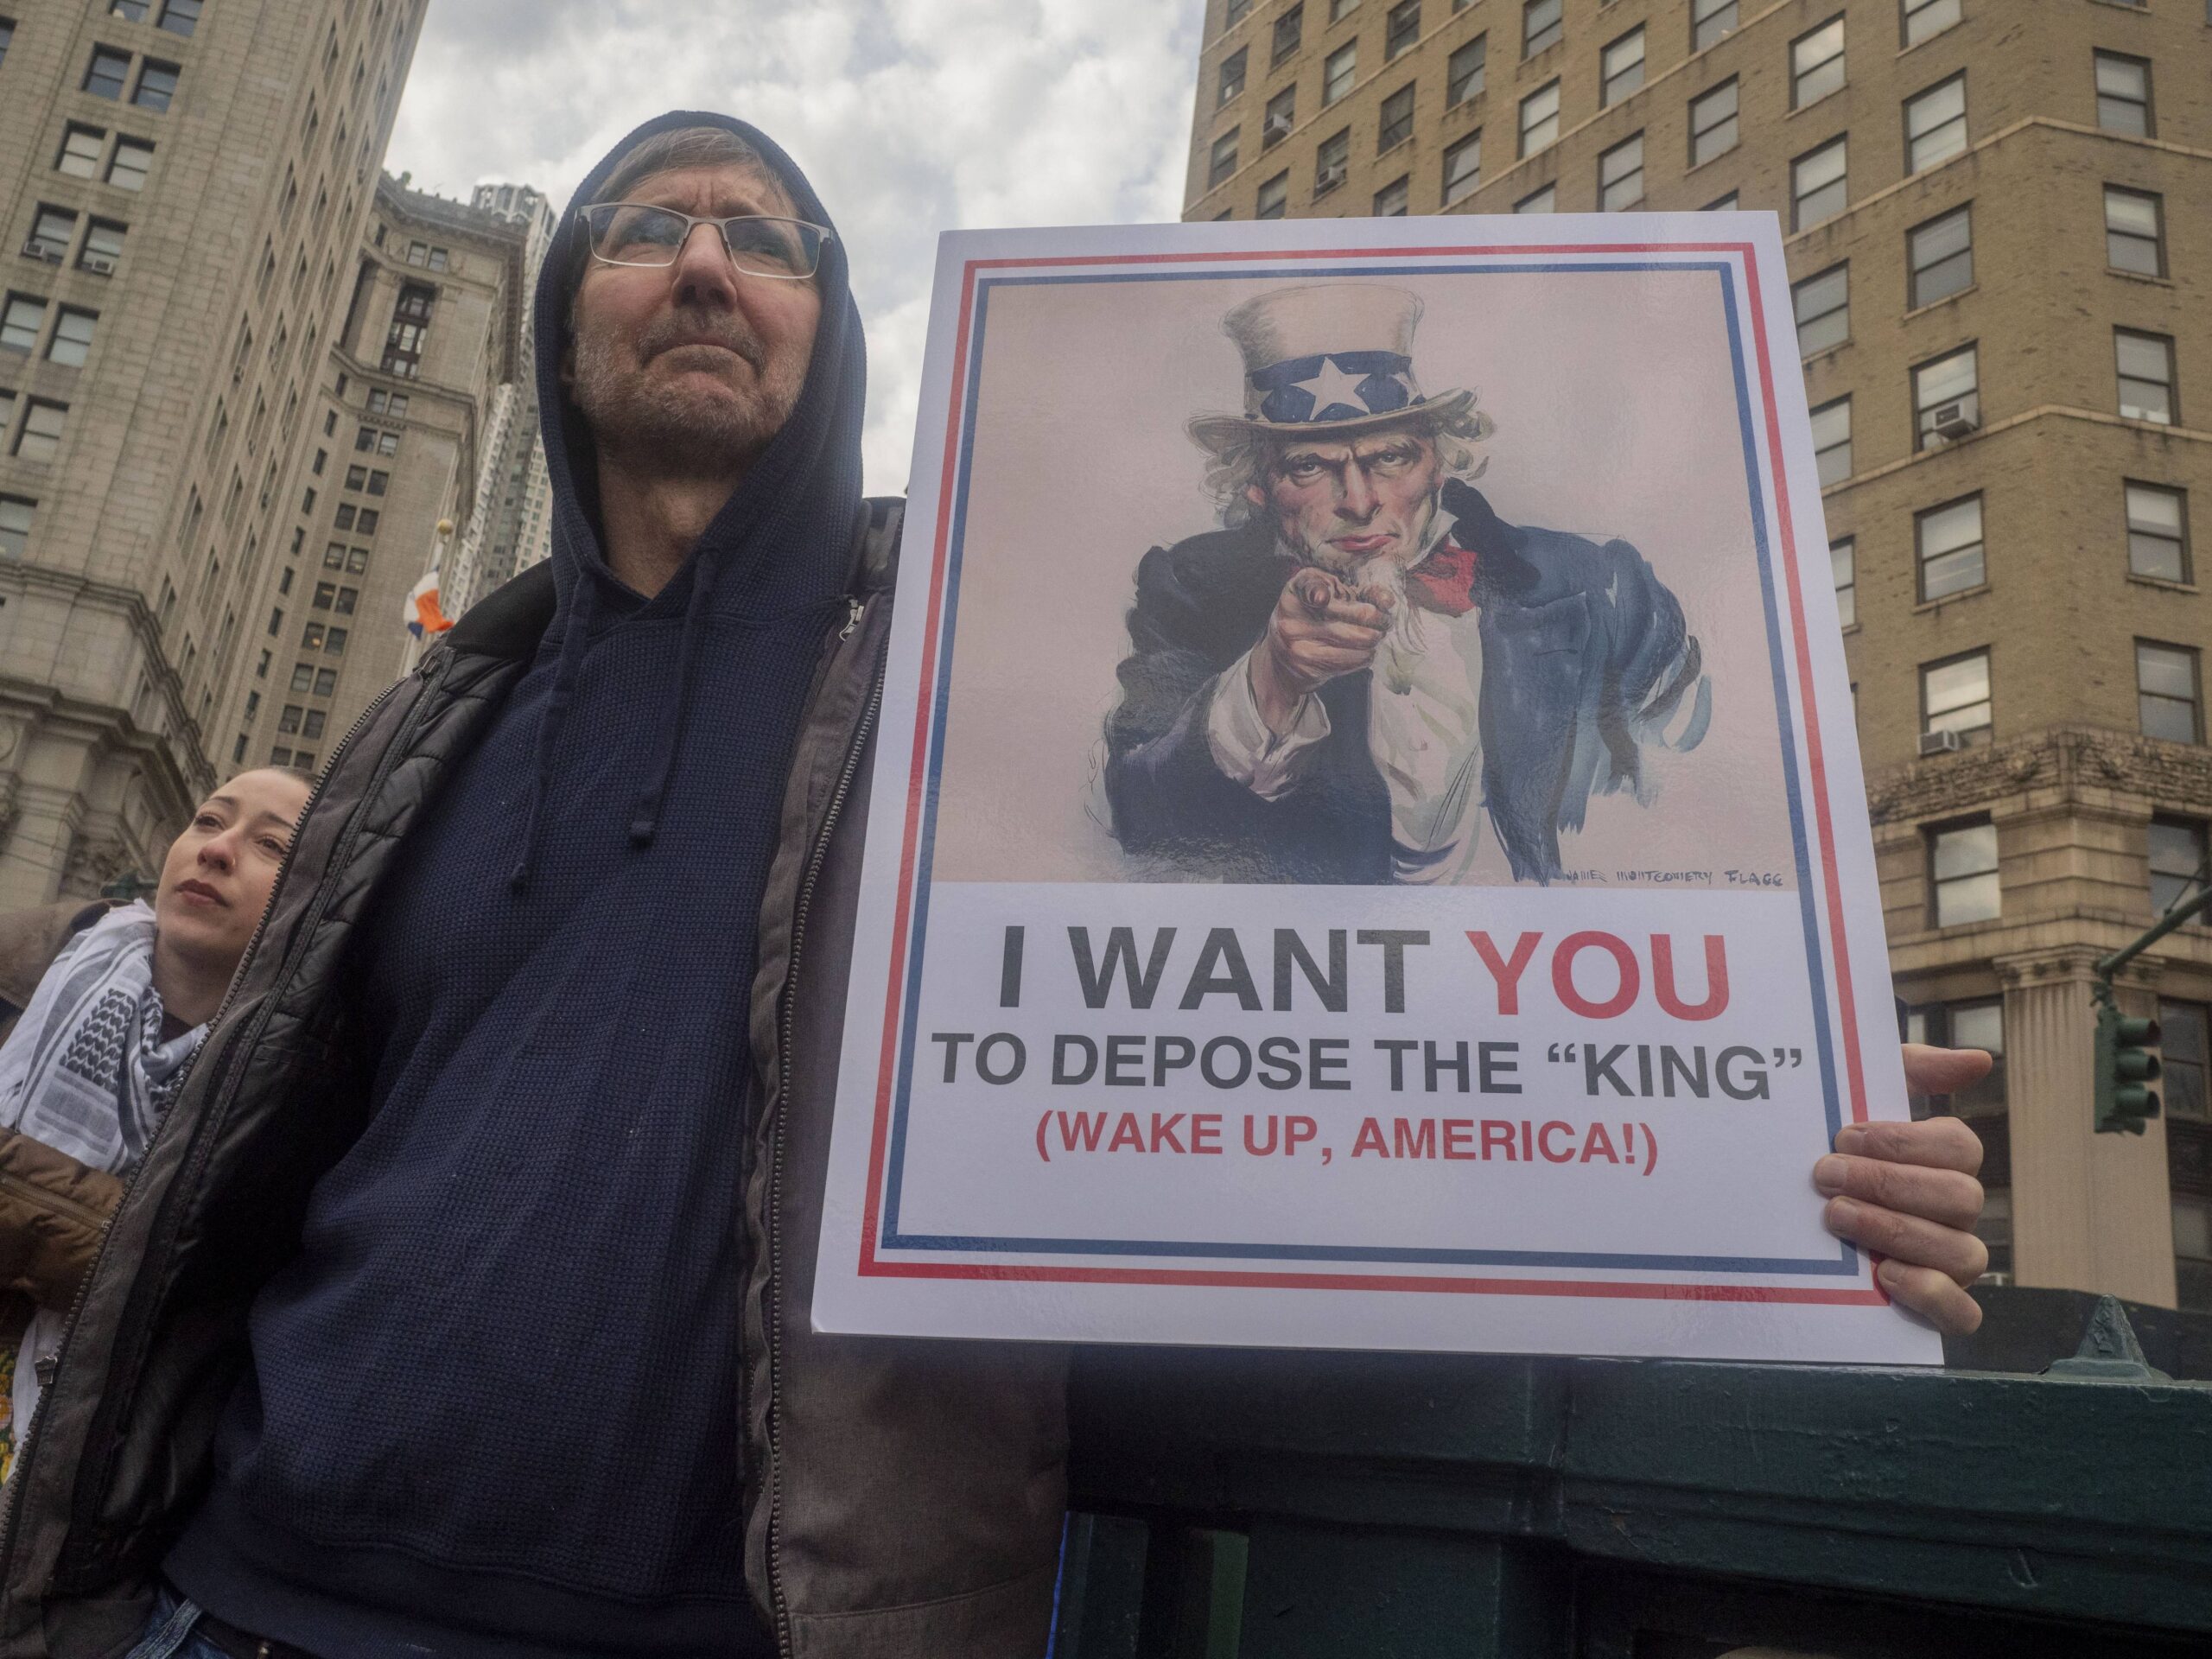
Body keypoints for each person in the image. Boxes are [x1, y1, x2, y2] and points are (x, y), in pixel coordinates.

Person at [0, 113, 1992, 1659]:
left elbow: (1244, 1095)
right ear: (564, 311)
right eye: (644, 224)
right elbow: (251, 1158)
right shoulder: (429, 714)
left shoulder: (967, 672)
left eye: (763, 237)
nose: (704, 260)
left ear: (830, 325)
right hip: (239, 1594)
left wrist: (1753, 1148)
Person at [1107, 283, 1710, 886]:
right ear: (1258, 487)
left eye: (1390, 457)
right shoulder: (1192, 588)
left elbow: (1684, 800)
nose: (1361, 502)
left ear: (1440, 463)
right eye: (1310, 466)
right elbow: (1143, 820)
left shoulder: (1596, 584)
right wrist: (1272, 681)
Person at [0, 767, 312, 1483]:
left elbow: (228, 1312)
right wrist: (140, 1247)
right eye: (208, 820)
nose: (218, 849)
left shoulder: (294, 1101)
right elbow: (181, 1277)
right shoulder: (21, 959)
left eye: (270, 844)